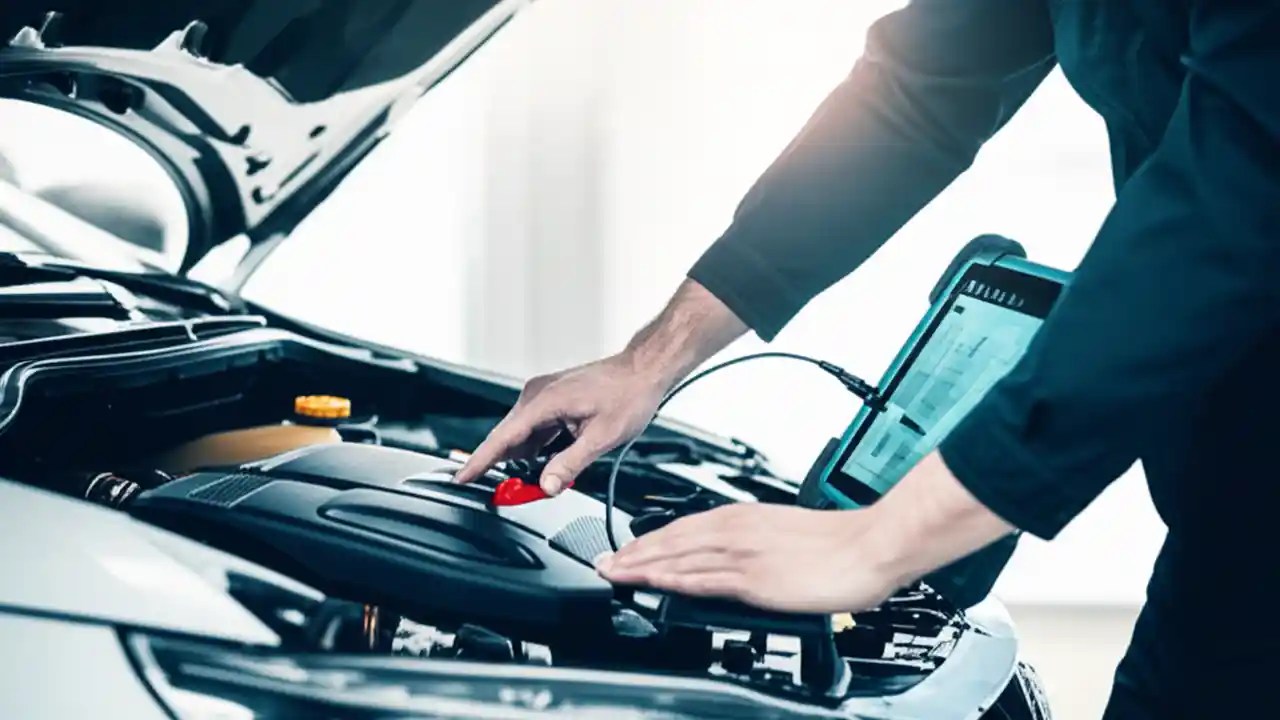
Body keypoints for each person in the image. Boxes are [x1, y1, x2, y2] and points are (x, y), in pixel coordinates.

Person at [456, 2, 1280, 716]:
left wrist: (879, 543)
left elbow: (1238, 193)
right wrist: (651, 358)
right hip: (1229, 511)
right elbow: (919, 91)